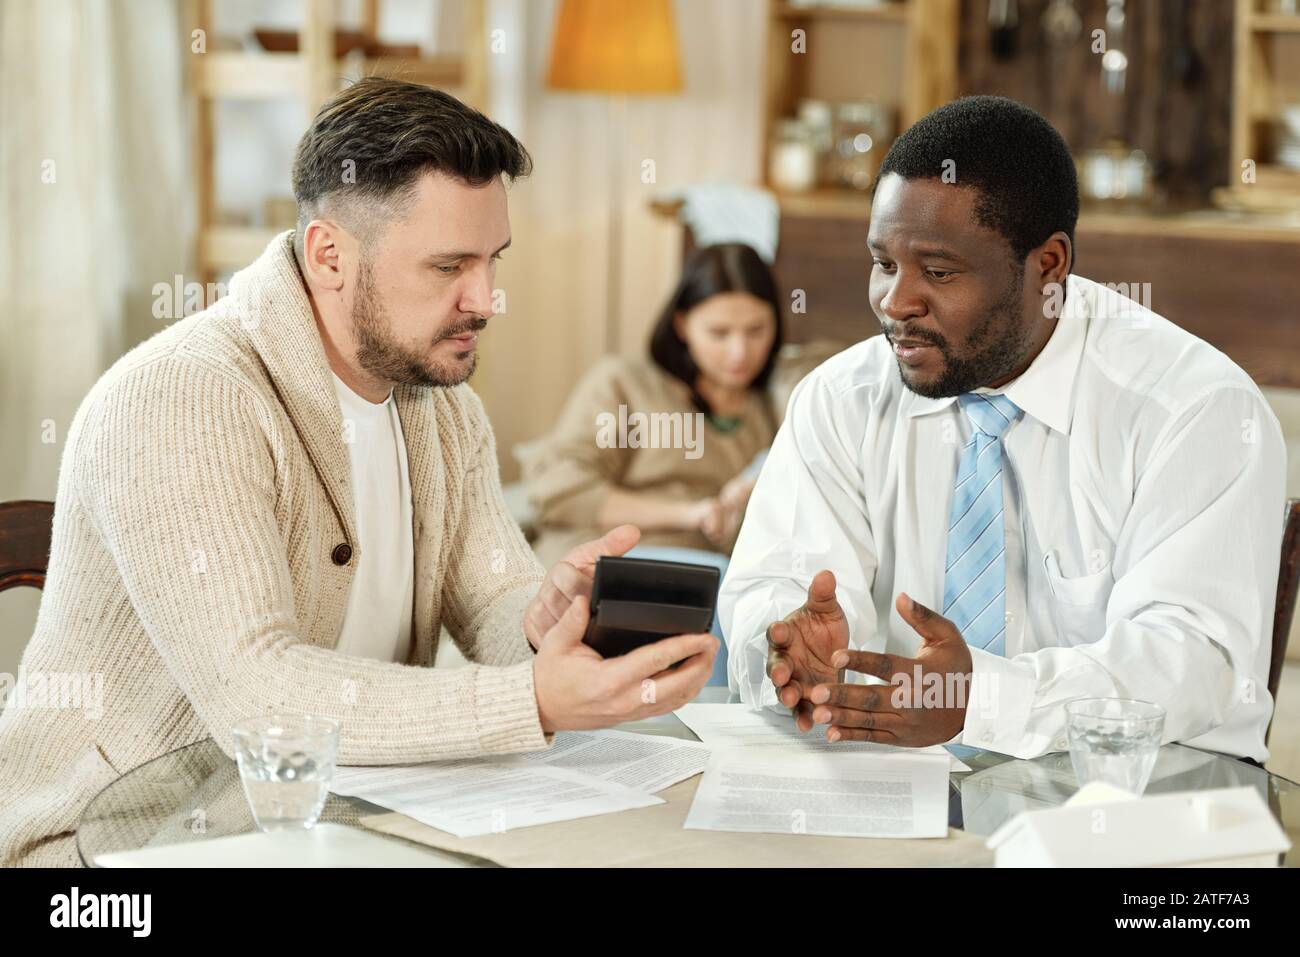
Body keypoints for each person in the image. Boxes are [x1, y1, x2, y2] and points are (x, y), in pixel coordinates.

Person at [0, 78, 717, 867]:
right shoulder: (181, 397)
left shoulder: (442, 405)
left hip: (335, 823)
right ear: (328, 255)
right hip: (114, 851)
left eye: (491, 260)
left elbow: (492, 599)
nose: (485, 298)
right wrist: (529, 698)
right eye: (449, 266)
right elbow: (259, 696)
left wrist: (551, 623)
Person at [719, 95, 1284, 764]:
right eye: (883, 263)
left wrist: (979, 700)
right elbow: (776, 589)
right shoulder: (841, 399)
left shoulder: (1195, 409)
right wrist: (789, 651)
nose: (895, 303)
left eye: (938, 271)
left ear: (1047, 266)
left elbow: (1193, 661)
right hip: (893, 791)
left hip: (1131, 805)